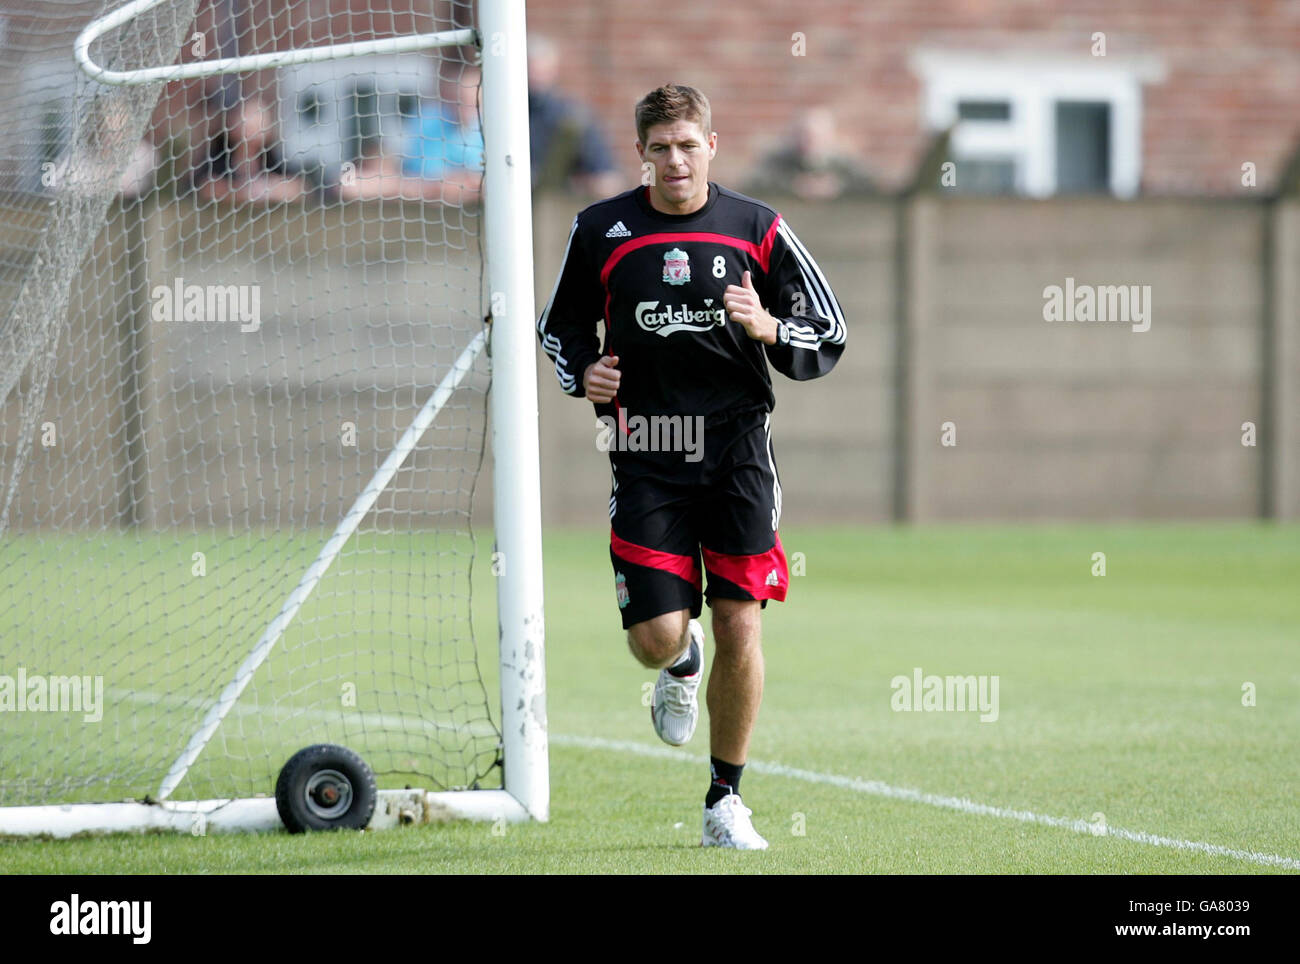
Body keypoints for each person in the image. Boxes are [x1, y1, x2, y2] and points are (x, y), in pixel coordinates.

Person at [536, 84, 845, 849]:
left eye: (688, 144)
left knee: (742, 620)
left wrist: (768, 325)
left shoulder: (757, 228)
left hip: (739, 451)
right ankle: (678, 662)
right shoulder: (599, 229)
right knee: (653, 637)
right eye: (660, 147)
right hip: (646, 453)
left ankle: (724, 802)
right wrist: (585, 376)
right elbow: (561, 327)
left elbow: (828, 327)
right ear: (641, 152)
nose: (675, 160)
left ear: (712, 144)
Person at [527, 35, 619, 196]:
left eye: (541, 71)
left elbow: (607, 177)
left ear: (553, 72)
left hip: (562, 205)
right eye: (531, 71)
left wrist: (576, 184)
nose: (535, 78)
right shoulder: (505, 116)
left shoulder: (573, 116)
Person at [743, 106, 874, 200]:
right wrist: (793, 186)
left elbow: (871, 185)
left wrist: (836, 186)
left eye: (816, 136)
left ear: (830, 137)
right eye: (804, 134)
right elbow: (753, 183)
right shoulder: (777, 161)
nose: (809, 141)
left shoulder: (844, 164)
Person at [194, 97, 306, 204]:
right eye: (250, 122)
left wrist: (269, 189)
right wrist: (244, 193)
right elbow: (206, 187)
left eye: (261, 122)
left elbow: (298, 187)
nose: (255, 130)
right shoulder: (219, 155)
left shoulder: (271, 158)